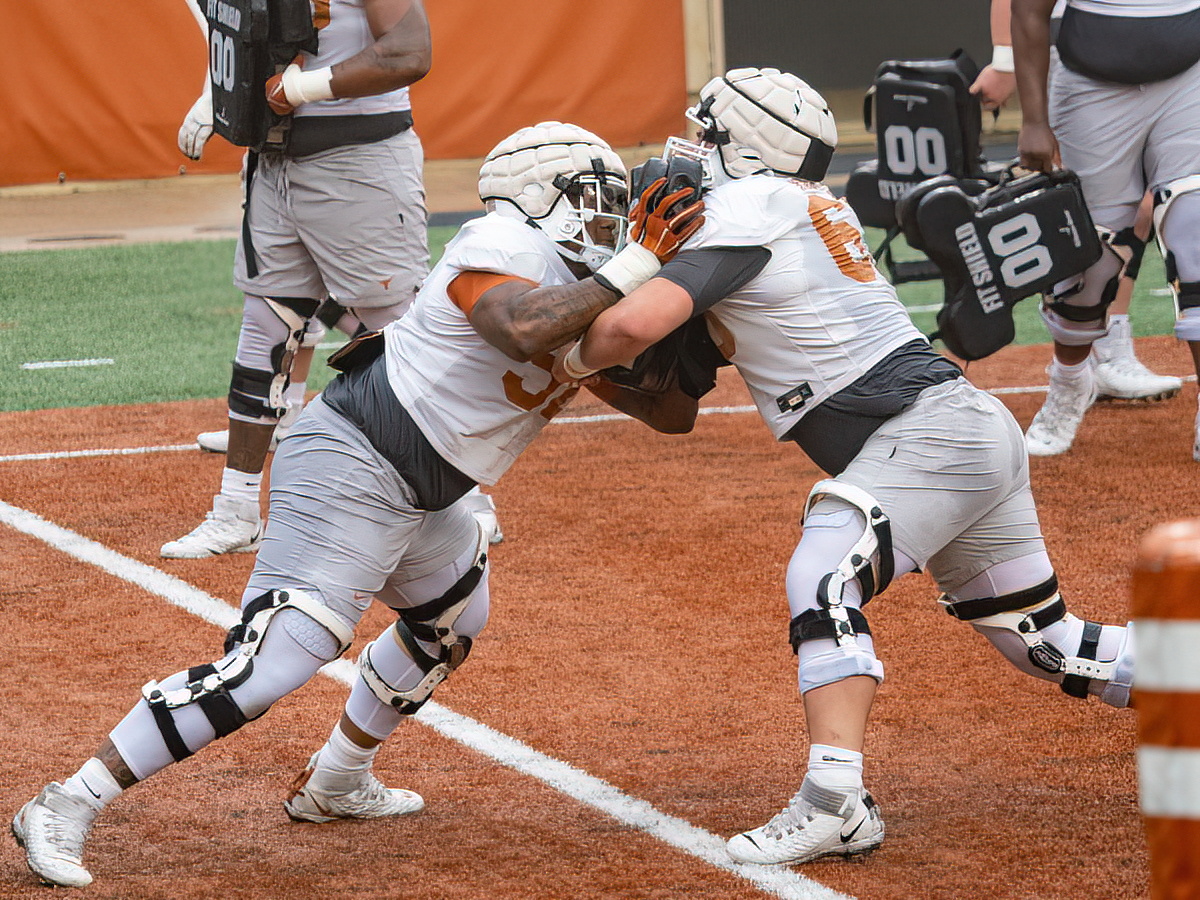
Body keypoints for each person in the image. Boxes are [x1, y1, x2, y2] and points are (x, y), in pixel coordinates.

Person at [10, 121, 705, 888]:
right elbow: (517, 327)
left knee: (450, 624)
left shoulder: (587, 287)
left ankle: (337, 780)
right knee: (271, 665)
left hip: (423, 492)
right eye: (594, 198)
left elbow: (670, 413)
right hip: (354, 459)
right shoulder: (504, 243)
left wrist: (698, 312)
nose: (612, 218)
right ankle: (67, 801)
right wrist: (640, 263)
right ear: (539, 197)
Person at [555, 67, 1137, 866]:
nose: (690, 147)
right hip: (956, 429)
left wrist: (560, 345)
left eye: (708, 131)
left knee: (823, 573)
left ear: (744, 148)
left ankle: (835, 802)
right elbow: (678, 411)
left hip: (927, 432)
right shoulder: (794, 205)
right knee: (1047, 643)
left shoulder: (746, 206)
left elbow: (623, 331)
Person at [162, 0, 444, 558]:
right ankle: (237, 508)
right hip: (273, 161)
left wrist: (297, 91)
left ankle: (463, 504)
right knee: (264, 334)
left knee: (403, 338)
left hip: (358, 160)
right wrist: (219, 95)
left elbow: (410, 51)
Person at [972, 0, 1182, 430]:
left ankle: (1113, 345)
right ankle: (1070, 368)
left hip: (1163, 55)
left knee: (1155, 210)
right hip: (1070, 53)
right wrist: (1005, 60)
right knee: (1084, 224)